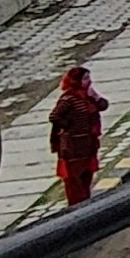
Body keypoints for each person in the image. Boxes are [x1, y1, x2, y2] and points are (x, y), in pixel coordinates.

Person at [50, 66, 106, 206]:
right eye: (85, 78)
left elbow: (103, 106)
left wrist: (95, 97)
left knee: (86, 176)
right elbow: (54, 116)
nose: (89, 81)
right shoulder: (68, 99)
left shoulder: (88, 96)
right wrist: (69, 126)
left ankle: (86, 205)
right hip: (73, 147)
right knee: (74, 181)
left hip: (88, 144)